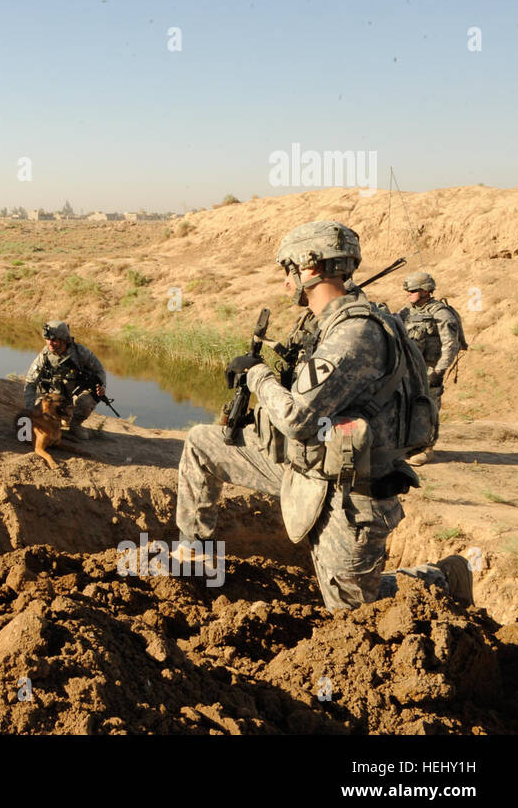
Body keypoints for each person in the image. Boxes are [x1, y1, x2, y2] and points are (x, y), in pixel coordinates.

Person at [174, 220, 470, 610]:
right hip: (307, 465)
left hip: (349, 493)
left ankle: (442, 576)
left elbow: (297, 416)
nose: (286, 281)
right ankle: (196, 556)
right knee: (201, 444)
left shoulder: (356, 333)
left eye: (289, 270)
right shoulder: (325, 323)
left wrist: (257, 375)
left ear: (309, 269)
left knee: (354, 612)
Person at [398, 271, 467, 465]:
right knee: (406, 406)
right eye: (408, 290)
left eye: (412, 290)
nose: (408, 294)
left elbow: (450, 345)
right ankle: (409, 445)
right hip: (409, 368)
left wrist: (439, 371)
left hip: (430, 369)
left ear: (426, 291)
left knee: (428, 407)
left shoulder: (441, 314)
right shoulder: (407, 312)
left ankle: (427, 448)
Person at [22, 320, 108, 440]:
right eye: (47, 339)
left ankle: (74, 424)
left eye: (54, 340)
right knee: (39, 407)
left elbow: (100, 370)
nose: (50, 343)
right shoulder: (45, 356)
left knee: (88, 400)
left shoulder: (80, 352)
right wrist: (30, 411)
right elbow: (31, 383)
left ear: (64, 340)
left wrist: (102, 386)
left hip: (76, 397)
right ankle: (58, 421)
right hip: (55, 396)